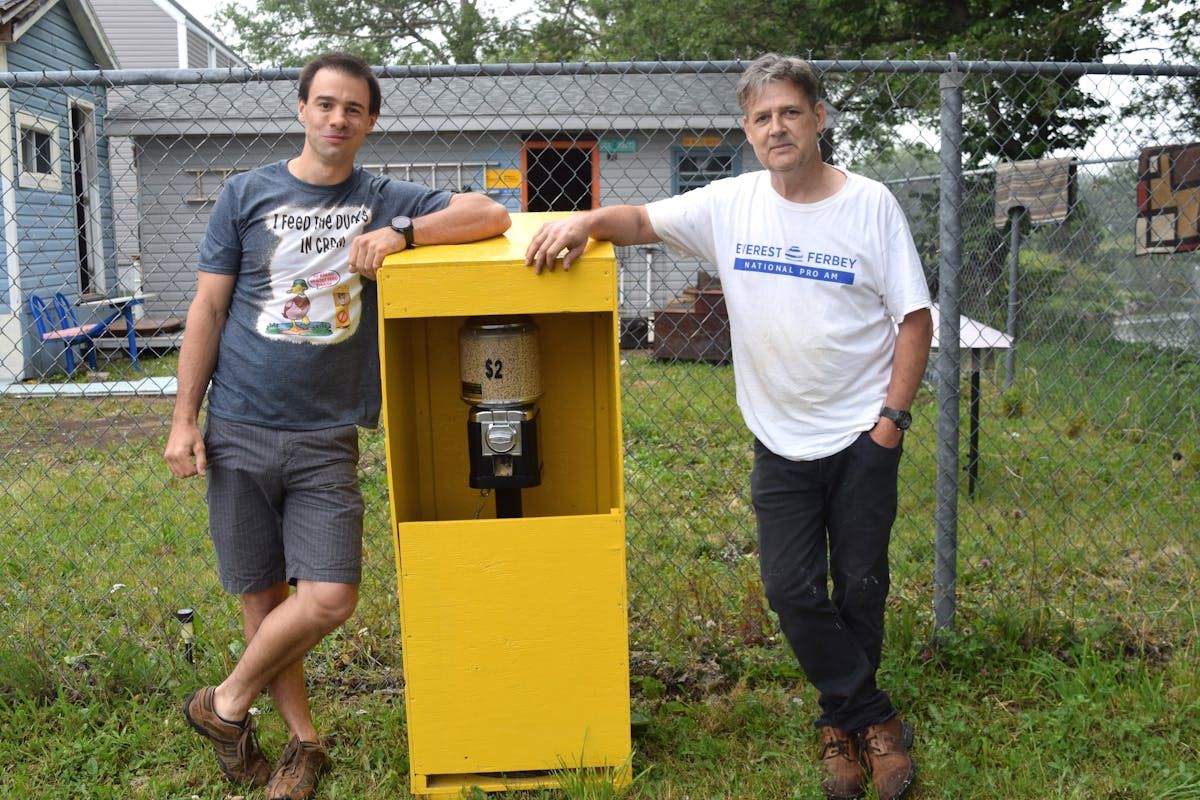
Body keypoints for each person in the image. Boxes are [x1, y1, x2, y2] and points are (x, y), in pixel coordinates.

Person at [525, 53, 932, 800]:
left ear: (819, 119)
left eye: (791, 112)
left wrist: (891, 424)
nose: (777, 127)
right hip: (779, 439)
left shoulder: (869, 204)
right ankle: (872, 715)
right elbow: (639, 221)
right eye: (762, 117)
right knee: (790, 587)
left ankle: (841, 728)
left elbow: (914, 318)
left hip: (862, 432)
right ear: (747, 131)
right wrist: (583, 220)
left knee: (861, 585)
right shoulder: (730, 204)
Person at [163, 52, 510, 800]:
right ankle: (301, 744)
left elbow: (491, 213)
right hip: (238, 424)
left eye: (353, 108)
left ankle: (222, 704)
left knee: (328, 597)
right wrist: (184, 419)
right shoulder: (245, 194)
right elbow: (209, 308)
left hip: (326, 434)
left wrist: (405, 234)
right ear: (301, 109)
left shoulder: (382, 198)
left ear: (370, 121)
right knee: (263, 600)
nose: (337, 118)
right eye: (324, 103)